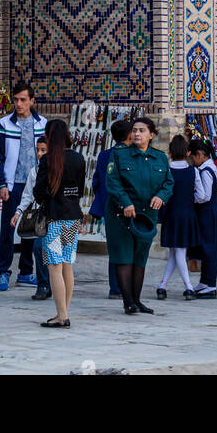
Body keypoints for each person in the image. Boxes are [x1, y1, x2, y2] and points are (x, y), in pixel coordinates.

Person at [105, 117, 173, 315]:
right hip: (121, 214)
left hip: (146, 216)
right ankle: (128, 302)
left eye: (142, 130)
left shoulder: (160, 158)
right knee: (124, 256)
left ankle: (137, 300)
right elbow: (113, 181)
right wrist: (125, 202)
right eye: (134, 130)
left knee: (140, 258)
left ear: (151, 135)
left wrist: (161, 197)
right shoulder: (119, 155)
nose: (136, 134)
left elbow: (168, 183)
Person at [0, 81, 48, 292]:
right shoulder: (4, 124)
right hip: (13, 184)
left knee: (31, 229)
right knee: (8, 228)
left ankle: (26, 272)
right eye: (15, 100)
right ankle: (4, 271)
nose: (18, 104)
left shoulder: (43, 123)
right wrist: (2, 184)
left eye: (23, 100)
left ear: (32, 101)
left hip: (36, 184)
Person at [32, 118, 85, 327]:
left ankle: (62, 315)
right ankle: (64, 311)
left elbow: (39, 192)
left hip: (54, 218)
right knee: (67, 265)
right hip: (72, 216)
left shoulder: (48, 160)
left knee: (54, 267)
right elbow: (80, 190)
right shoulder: (79, 158)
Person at [87, 118, 133, 299]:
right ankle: (125, 286)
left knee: (114, 247)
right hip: (129, 206)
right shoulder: (132, 154)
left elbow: (96, 182)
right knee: (128, 248)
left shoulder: (104, 155)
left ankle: (115, 287)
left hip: (109, 206)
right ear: (129, 135)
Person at [11, 134, 51, 302]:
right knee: (38, 247)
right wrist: (18, 212)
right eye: (38, 150)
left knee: (57, 252)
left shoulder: (59, 169)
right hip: (39, 217)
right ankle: (43, 284)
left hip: (57, 215)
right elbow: (27, 195)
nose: (40, 153)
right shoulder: (34, 172)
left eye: (44, 150)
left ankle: (55, 284)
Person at [156, 135, 197, 300]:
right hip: (187, 214)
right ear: (187, 152)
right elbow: (201, 195)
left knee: (175, 252)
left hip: (171, 215)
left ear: (170, 152)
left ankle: (162, 285)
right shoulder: (193, 171)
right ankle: (189, 287)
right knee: (180, 251)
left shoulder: (166, 172)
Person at [189, 137, 217, 298]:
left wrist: (191, 197)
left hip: (206, 212)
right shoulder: (211, 167)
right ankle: (204, 281)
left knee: (209, 247)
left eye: (193, 157)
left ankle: (211, 284)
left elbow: (205, 196)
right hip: (210, 211)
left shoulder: (206, 171)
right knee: (206, 246)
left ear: (200, 154)